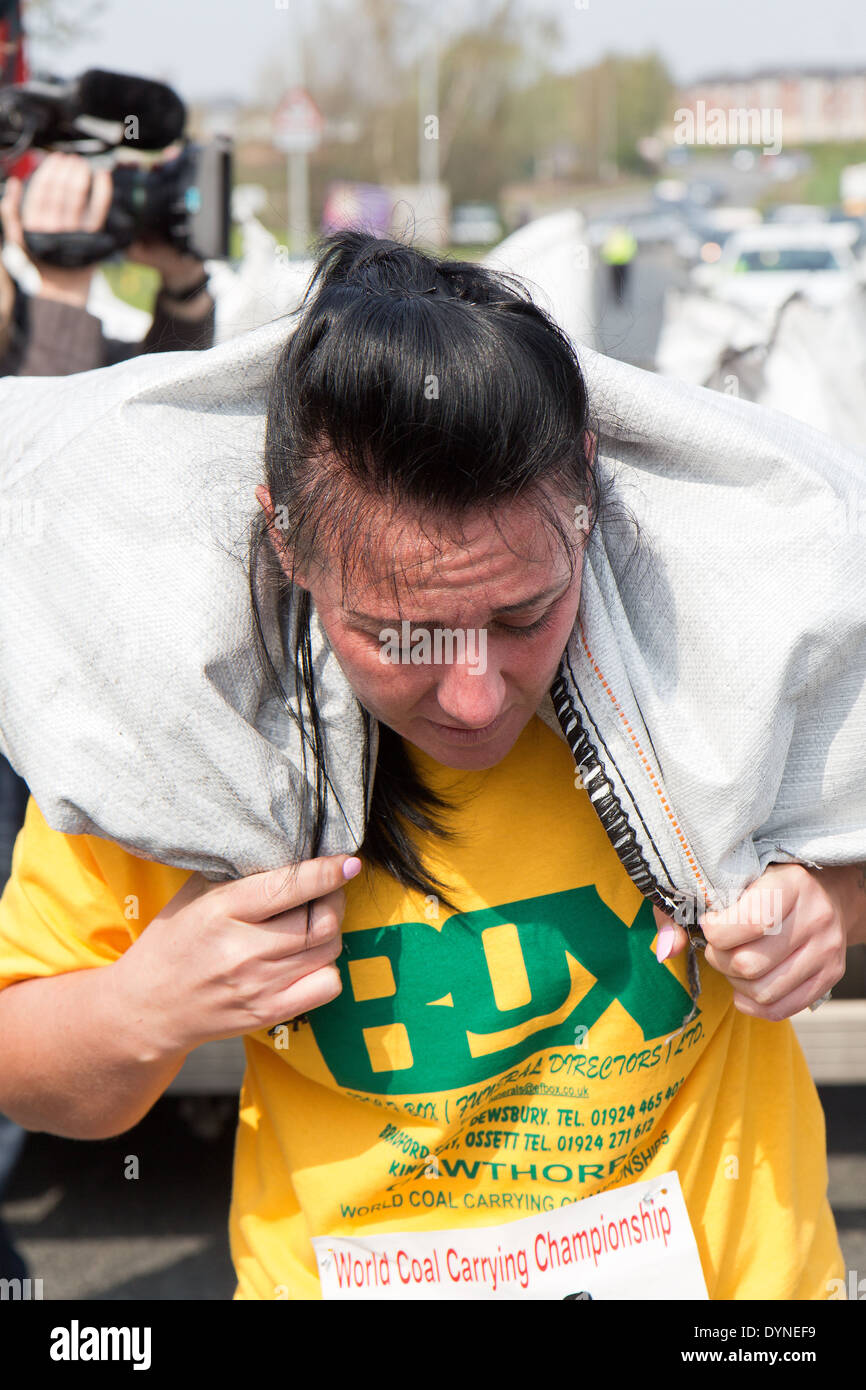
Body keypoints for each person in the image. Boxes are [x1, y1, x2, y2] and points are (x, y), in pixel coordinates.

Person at [0, 229, 862, 1303]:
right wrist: (150, 1002)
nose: (473, 691)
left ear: (586, 498)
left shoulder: (725, 655)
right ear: (286, 542)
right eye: (400, 632)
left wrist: (825, 902)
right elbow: (38, 1082)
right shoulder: (172, 734)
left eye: (523, 613)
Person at [0, 151, 214, 376]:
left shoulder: (18, 324)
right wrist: (64, 292)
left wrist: (184, 289)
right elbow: (47, 409)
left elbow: (152, 394)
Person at [600, 223, 637, 305]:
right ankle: (619, 297)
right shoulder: (626, 235)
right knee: (622, 281)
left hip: (615, 262)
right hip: (623, 261)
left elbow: (606, 248)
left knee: (615, 282)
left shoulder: (612, 236)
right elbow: (632, 247)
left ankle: (617, 297)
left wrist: (605, 258)